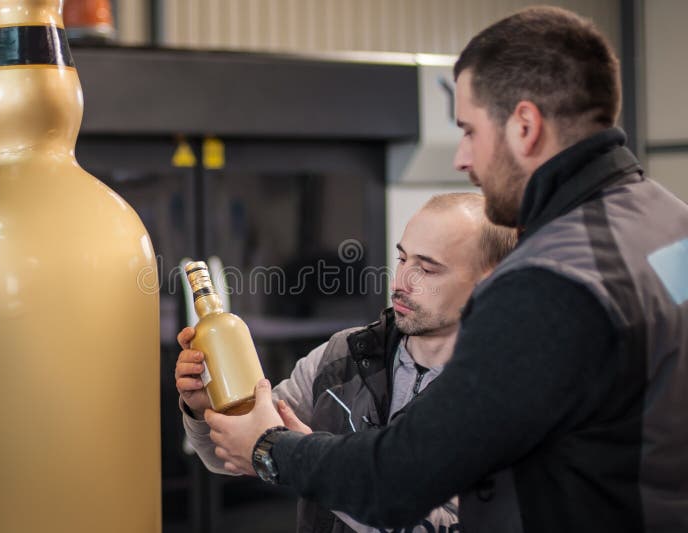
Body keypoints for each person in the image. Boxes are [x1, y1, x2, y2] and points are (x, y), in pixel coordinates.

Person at [203, 6, 688, 532]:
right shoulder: (670, 225)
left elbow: (400, 478)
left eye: (469, 131)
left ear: (525, 127)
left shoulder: (551, 281)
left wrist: (270, 448)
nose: (461, 158)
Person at [175, 193, 517, 532]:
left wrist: (300, 459)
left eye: (427, 269)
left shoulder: (504, 396)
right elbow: (233, 453)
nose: (401, 283)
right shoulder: (341, 356)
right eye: (402, 259)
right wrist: (207, 407)